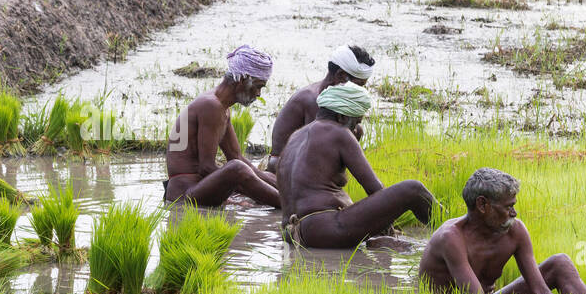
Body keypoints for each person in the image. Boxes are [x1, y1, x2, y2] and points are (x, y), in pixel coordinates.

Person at [278, 84, 434, 247]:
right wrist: (387, 227)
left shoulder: (295, 137)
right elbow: (374, 188)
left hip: (292, 232)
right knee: (413, 190)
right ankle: (454, 231)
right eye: (356, 122)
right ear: (342, 118)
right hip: (323, 230)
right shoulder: (338, 132)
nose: (355, 129)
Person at [418, 167, 586, 294]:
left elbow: (540, 292)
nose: (514, 213)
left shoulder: (515, 231)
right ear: (482, 205)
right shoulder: (451, 238)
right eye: (508, 207)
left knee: (561, 263)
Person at [164, 44, 281, 207]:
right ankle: (289, 205)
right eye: (258, 86)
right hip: (184, 194)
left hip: (197, 188)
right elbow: (207, 167)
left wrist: (276, 183)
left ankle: (289, 198)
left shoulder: (222, 107)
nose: (258, 93)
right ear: (243, 79)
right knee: (237, 169)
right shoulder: (211, 106)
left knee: (260, 173)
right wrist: (252, 191)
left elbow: (236, 156)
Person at [268, 44, 374, 174]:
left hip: (303, 163)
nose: (360, 91)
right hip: (285, 170)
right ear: (341, 75)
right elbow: (317, 151)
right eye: (359, 85)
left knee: (356, 130)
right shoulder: (315, 101)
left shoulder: (329, 98)